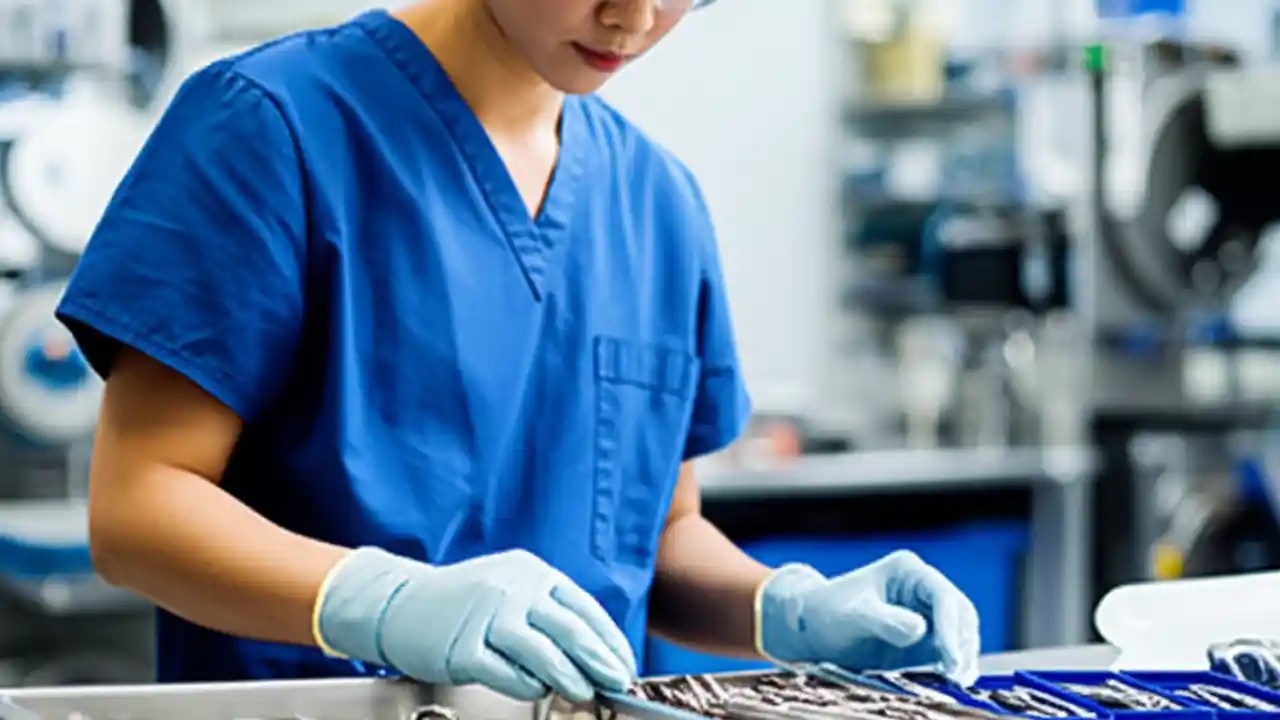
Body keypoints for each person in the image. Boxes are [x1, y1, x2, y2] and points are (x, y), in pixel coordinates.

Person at [56, 0, 982, 701]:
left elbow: (658, 540)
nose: (634, 18)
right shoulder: (271, 127)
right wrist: (377, 601)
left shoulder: (658, 202)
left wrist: (789, 610)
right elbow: (138, 511)